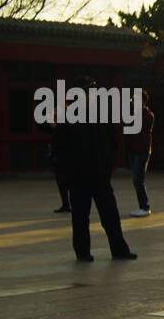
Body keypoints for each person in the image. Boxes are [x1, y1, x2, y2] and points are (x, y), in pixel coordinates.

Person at [48, 76, 137, 262]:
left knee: (110, 215)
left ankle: (119, 250)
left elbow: (113, 142)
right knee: (80, 218)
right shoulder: (69, 116)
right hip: (79, 177)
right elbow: (59, 146)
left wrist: (108, 163)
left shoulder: (102, 114)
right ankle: (82, 252)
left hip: (100, 175)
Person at [128, 89, 154, 217]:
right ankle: (142, 205)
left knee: (138, 180)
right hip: (133, 149)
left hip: (143, 150)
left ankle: (144, 206)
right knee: (136, 180)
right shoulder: (133, 113)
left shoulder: (148, 115)